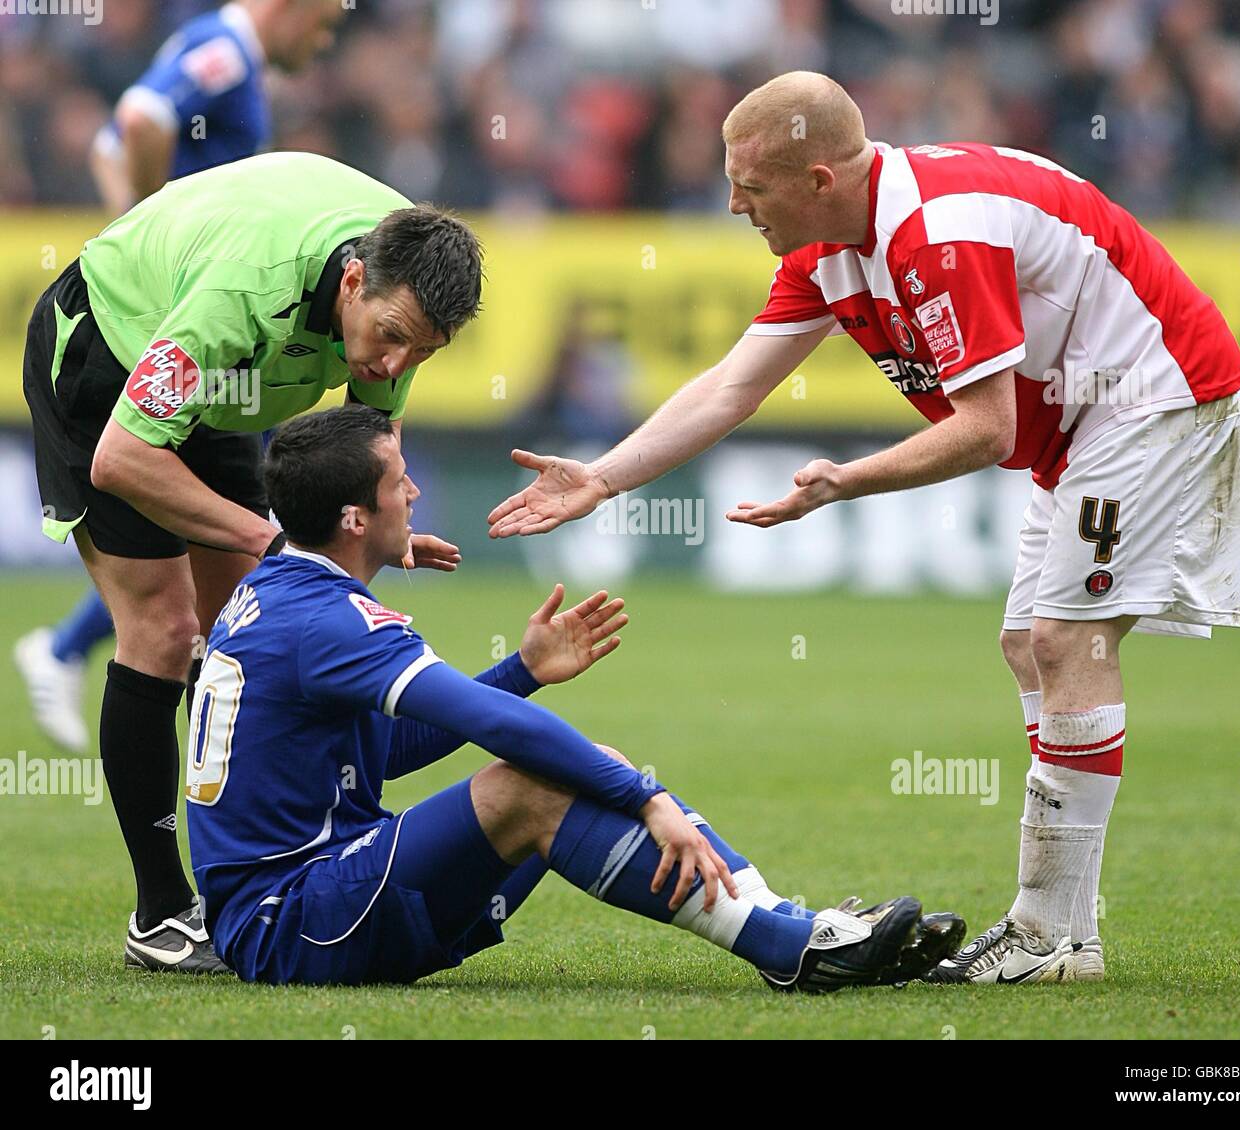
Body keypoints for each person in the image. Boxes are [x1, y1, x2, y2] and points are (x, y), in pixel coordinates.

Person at [485, 72, 1240, 984]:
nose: (732, 203)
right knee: (1027, 644)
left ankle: (1053, 936)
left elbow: (986, 430)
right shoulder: (830, 243)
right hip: (1083, 424)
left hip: (1154, 397)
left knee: (1064, 639)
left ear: (819, 178)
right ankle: (1063, 932)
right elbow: (735, 384)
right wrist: (604, 477)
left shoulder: (936, 234)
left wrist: (841, 483)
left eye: (752, 185)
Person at [185, 405, 963, 990]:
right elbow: (489, 727)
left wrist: (521, 670)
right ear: (356, 516)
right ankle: (791, 951)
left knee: (586, 763)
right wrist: (646, 796)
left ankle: (798, 930)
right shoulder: (330, 620)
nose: (415, 490)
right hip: (288, 922)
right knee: (537, 780)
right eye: (398, 480)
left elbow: (384, 754)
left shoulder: (275, 593)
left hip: (299, 900)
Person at [22, 150, 479, 972]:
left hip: (228, 390)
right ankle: (160, 914)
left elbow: (372, 444)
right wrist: (271, 538)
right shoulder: (243, 295)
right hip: (111, 357)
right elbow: (122, 459)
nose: (392, 368)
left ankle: (262, 875)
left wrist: (386, 532)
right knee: (165, 632)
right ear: (350, 285)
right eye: (391, 340)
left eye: (423, 355)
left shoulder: (404, 274)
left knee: (249, 634)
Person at [17, 0, 345, 755]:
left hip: (205, 329)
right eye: (325, 23)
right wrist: (152, 215)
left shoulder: (218, 52)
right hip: (202, 329)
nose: (325, 40)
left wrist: (140, 217)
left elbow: (113, 138)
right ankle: (65, 647)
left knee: (201, 589)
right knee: (197, 579)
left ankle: (70, 647)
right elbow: (137, 118)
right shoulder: (225, 53)